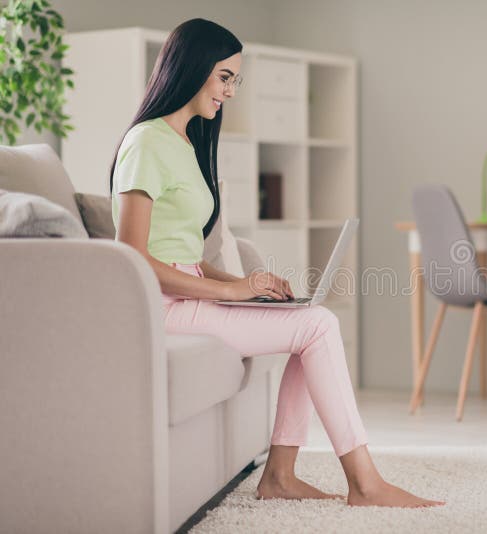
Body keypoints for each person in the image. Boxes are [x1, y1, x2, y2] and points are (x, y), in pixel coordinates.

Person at [110, 18, 444, 508]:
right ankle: (364, 483)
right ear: (194, 67)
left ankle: (282, 477)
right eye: (225, 77)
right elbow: (132, 256)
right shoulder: (145, 141)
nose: (230, 90)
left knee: (305, 325)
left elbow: (186, 255)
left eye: (234, 80)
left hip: (190, 294)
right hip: (162, 309)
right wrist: (228, 292)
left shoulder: (186, 143)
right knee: (319, 326)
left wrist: (246, 282)